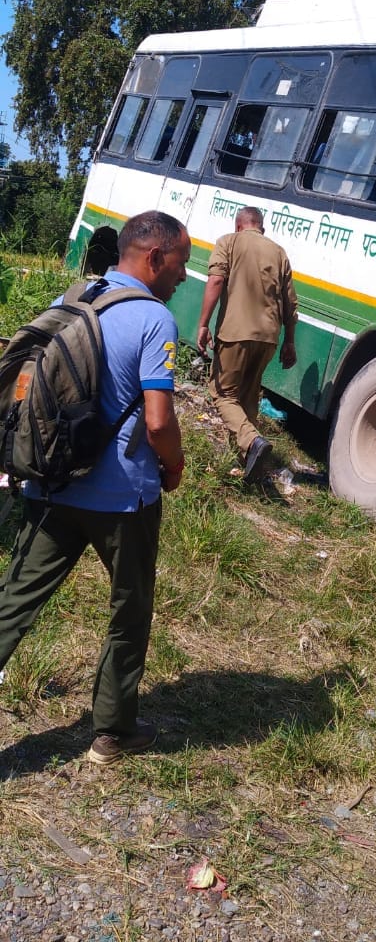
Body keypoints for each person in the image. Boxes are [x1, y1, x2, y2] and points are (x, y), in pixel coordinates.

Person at [0, 211, 190, 765]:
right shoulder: (155, 321)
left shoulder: (79, 295)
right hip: (121, 499)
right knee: (129, 611)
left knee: (13, 602)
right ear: (154, 257)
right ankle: (113, 732)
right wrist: (174, 468)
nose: (183, 275)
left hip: (52, 484)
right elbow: (158, 421)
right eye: (180, 262)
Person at [197, 206, 297, 481]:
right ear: (260, 228)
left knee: (223, 394)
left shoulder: (228, 241)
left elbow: (216, 279)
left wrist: (204, 323)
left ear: (239, 225)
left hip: (235, 332)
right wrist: (289, 341)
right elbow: (291, 304)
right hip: (269, 337)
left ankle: (251, 442)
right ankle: (248, 460)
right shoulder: (278, 252)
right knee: (249, 395)